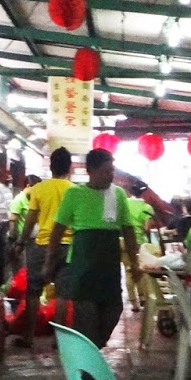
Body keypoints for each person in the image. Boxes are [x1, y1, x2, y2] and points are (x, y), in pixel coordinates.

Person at [44, 148, 138, 348]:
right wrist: (49, 262)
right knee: (86, 319)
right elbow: (57, 231)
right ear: (90, 171)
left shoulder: (117, 194)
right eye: (106, 171)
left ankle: (95, 348)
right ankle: (86, 369)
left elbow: (128, 230)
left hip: (109, 266)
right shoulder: (74, 194)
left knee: (114, 310)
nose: (111, 175)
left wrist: (135, 262)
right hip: (83, 267)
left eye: (112, 170)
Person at [12, 150, 75, 347]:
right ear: (70, 167)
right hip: (67, 245)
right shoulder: (74, 191)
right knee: (63, 293)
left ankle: (29, 337)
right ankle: (59, 340)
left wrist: (21, 242)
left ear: (51, 166)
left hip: (42, 246)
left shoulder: (39, 189)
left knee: (33, 291)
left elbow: (30, 219)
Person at [121, 182, 157, 312]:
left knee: (128, 270)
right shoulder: (147, 207)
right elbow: (147, 228)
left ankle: (133, 302)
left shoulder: (124, 203)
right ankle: (142, 298)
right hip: (138, 242)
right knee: (141, 270)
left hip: (122, 241)